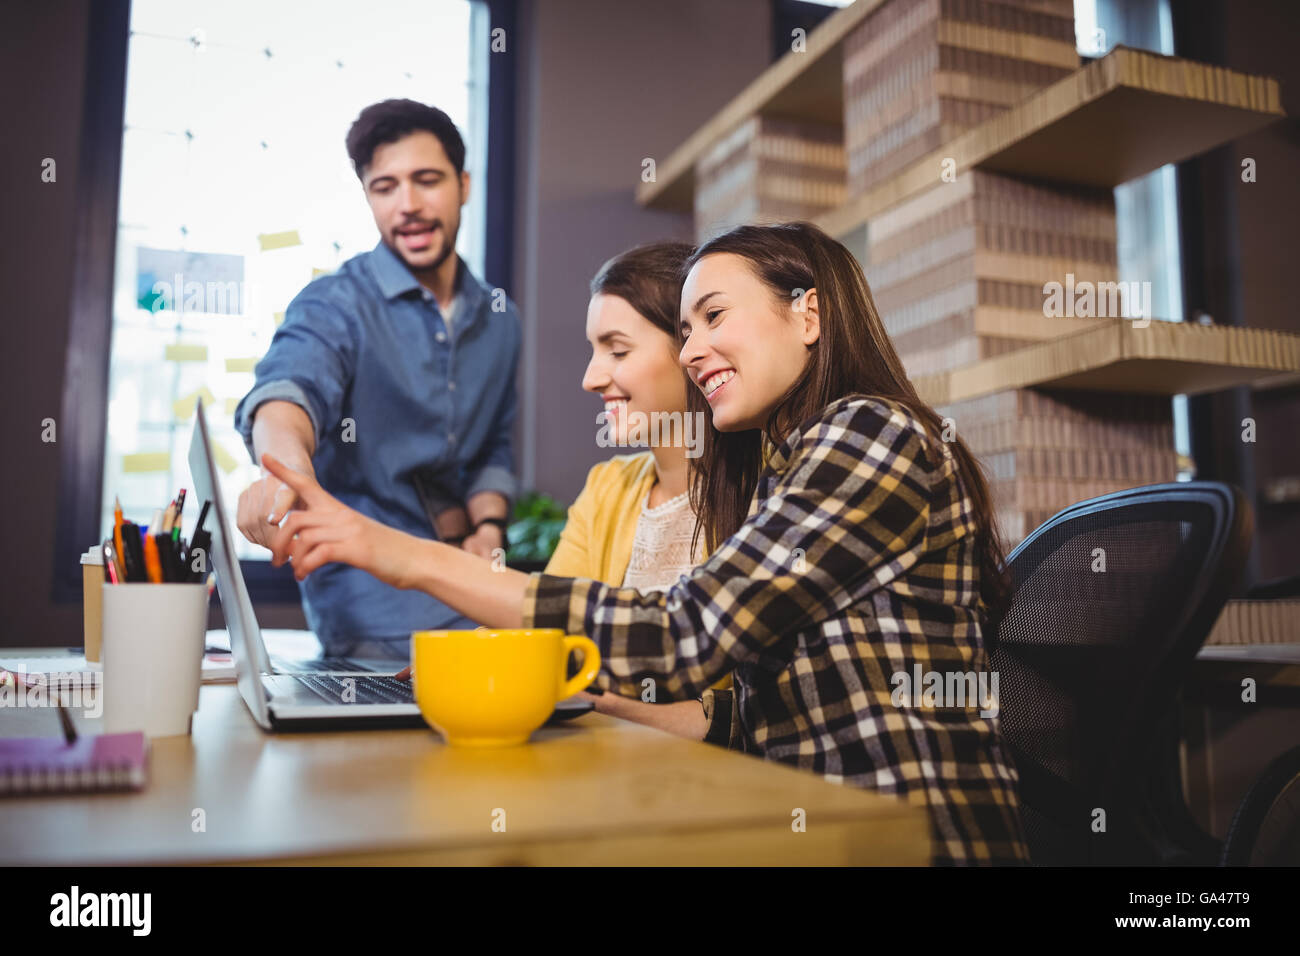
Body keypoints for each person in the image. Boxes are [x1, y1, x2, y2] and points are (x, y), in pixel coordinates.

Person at [255, 220, 1030, 865]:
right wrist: (588, 695)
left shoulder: (870, 433)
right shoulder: (787, 472)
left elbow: (684, 635)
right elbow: (754, 717)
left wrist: (402, 553)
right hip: (805, 822)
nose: (695, 352)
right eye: (687, 330)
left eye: (714, 319)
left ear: (808, 315)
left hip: (911, 835)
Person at [233, 99, 520, 661]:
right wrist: (283, 475)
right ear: (368, 198)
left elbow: (494, 448)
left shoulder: (502, 319)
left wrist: (488, 529)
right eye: (384, 187)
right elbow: (288, 394)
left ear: (463, 185)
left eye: (427, 180)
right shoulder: (335, 303)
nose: (407, 205)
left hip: (467, 577)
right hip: (371, 604)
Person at [547, 240, 730, 740]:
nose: (590, 378)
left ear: (691, 347)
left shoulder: (769, 490)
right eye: (594, 350)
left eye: (617, 350)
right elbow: (553, 630)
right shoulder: (608, 487)